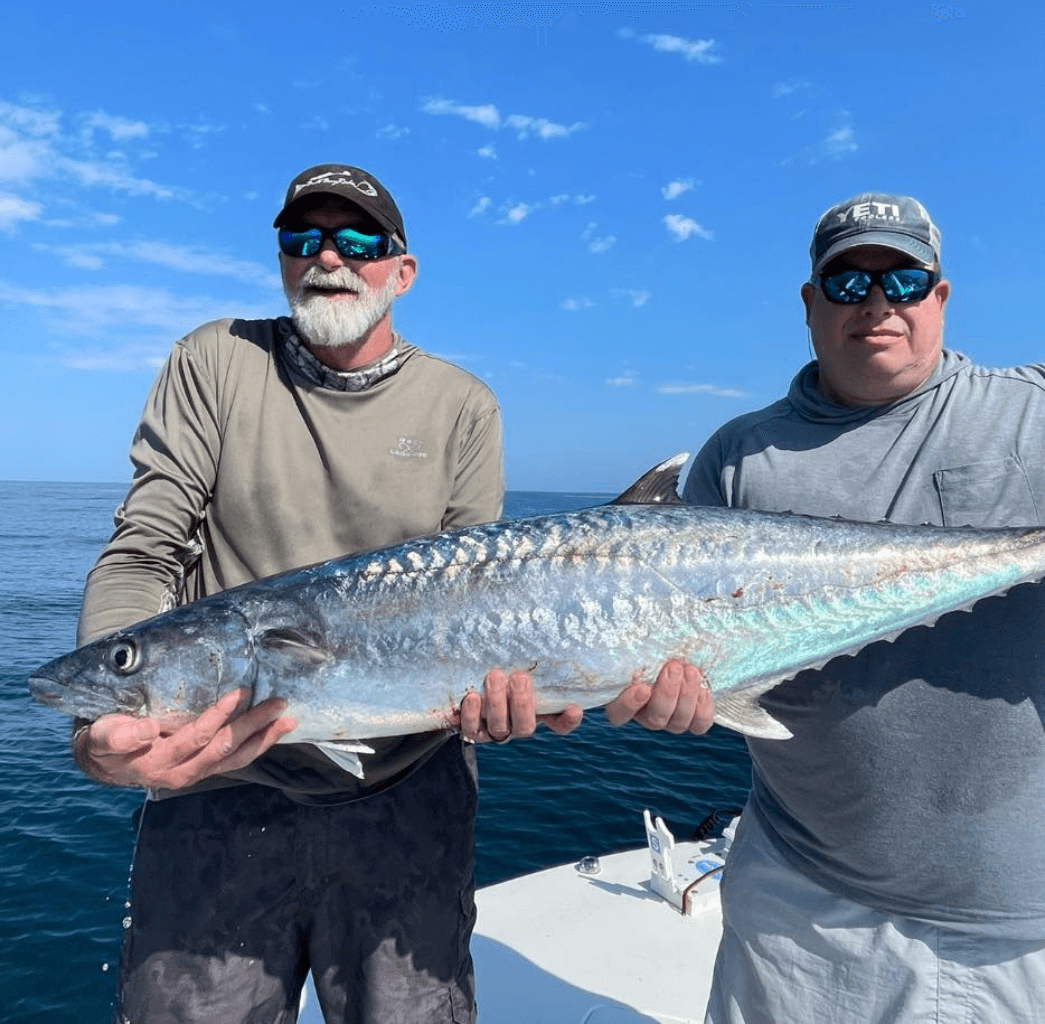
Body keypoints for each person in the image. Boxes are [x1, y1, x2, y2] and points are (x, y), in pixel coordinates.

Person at [69, 162, 710, 1024]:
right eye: (304, 238)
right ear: (282, 258)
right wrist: (105, 715)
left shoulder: (461, 406)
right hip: (218, 786)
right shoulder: (214, 361)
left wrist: (547, 688)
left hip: (410, 791)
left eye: (358, 240)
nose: (329, 257)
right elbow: (145, 547)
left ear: (401, 270)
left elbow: (487, 599)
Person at [675, 192, 1045, 1023]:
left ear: (940, 298)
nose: (876, 302)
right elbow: (688, 646)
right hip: (799, 916)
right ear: (808, 304)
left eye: (903, 280)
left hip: (1037, 932)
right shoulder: (736, 453)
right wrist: (660, 690)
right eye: (846, 282)